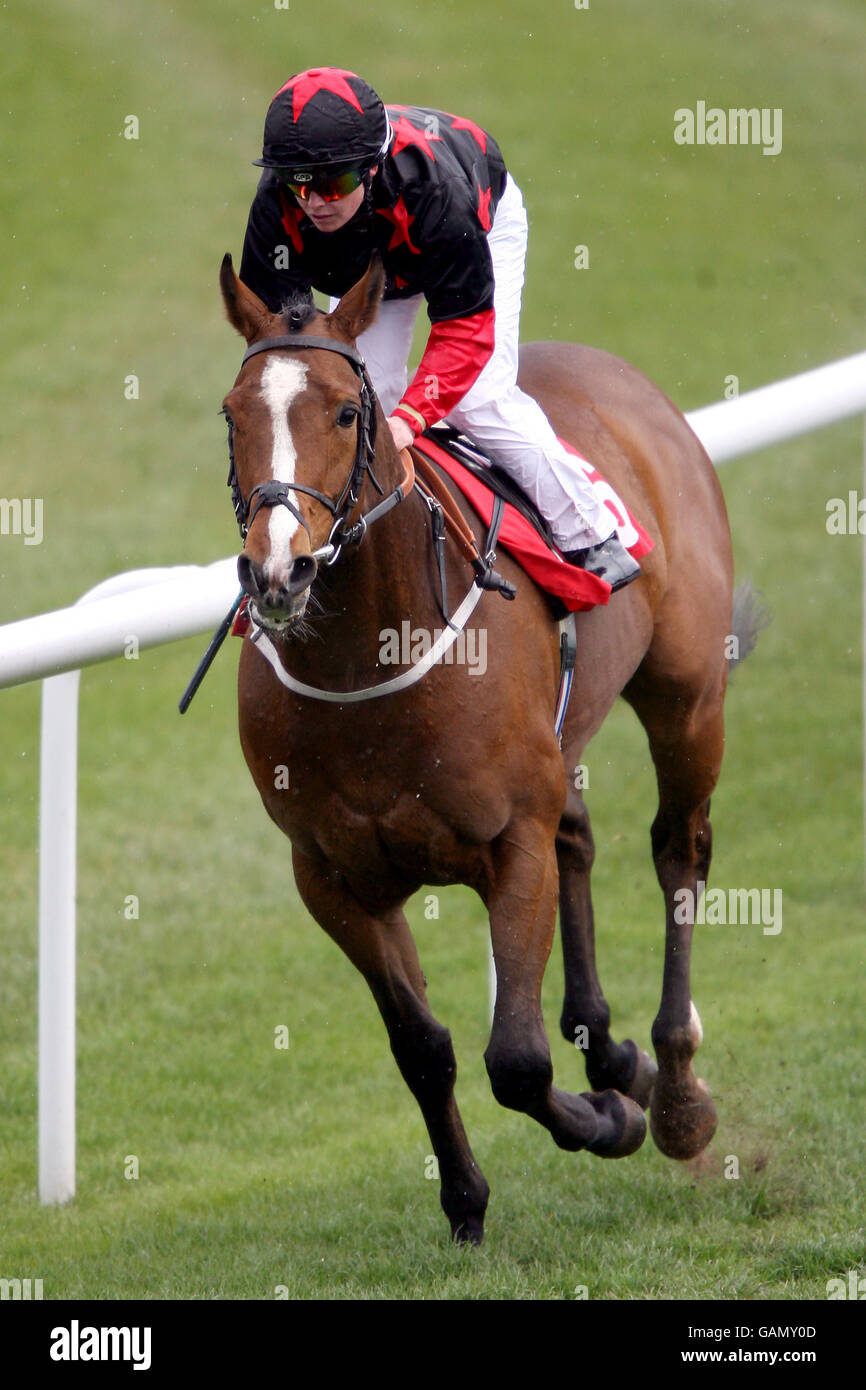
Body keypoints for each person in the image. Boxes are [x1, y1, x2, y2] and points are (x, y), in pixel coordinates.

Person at [239, 67, 640, 590]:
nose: (314, 202)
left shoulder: (436, 193)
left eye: (333, 185)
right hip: (372, 263)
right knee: (360, 395)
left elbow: (466, 329)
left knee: (478, 399)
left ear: (371, 168)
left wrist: (412, 419)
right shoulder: (278, 203)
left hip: (476, 224)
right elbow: (282, 343)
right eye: (300, 185)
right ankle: (312, 547)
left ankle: (591, 533)